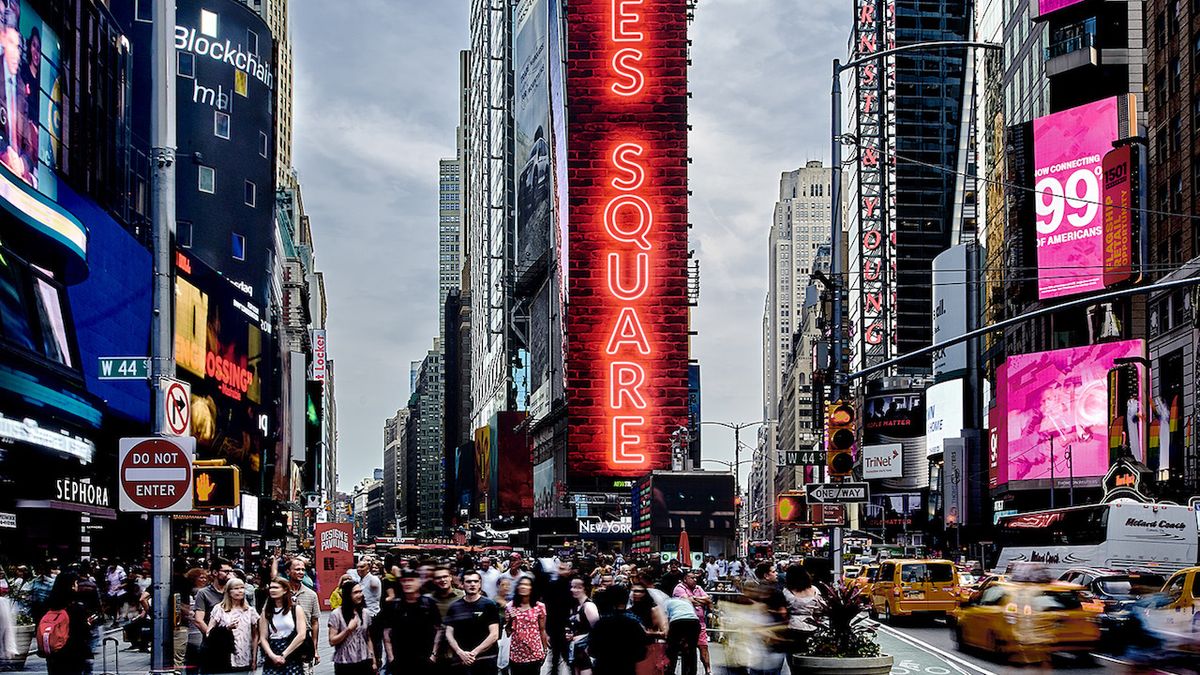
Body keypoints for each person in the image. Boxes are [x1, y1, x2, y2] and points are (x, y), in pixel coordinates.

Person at [382, 568, 440, 675]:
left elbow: (438, 630)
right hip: (400, 660)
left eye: (411, 580)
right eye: (404, 581)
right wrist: (391, 657)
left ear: (419, 582)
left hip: (425, 659)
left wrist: (434, 655)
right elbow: (386, 633)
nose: (407, 583)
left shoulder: (429, 604)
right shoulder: (395, 605)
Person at [444, 570, 501, 674]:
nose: (472, 584)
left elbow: (494, 634)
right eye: (468, 582)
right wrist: (459, 652)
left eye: (475, 581)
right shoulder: (454, 606)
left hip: (486, 659)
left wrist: (474, 653)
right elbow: (449, 632)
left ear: (480, 584)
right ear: (462, 584)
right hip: (462, 660)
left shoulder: (489, 605)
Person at [41, 571, 94, 675]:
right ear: (71, 586)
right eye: (75, 583)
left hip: (53, 655)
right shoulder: (75, 607)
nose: (77, 586)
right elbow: (83, 633)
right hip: (73, 654)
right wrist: (87, 624)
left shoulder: (48, 605)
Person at [586, 587, 647, 675]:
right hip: (626, 668)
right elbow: (641, 653)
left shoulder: (601, 624)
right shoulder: (633, 624)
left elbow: (592, 650)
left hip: (603, 668)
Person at [206, 577, 258, 673]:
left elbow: (255, 636)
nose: (240, 591)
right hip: (225, 657)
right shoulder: (219, 609)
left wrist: (254, 658)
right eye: (236, 588)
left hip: (246, 658)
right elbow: (209, 632)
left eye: (242, 588)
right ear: (229, 591)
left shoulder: (250, 611)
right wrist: (226, 628)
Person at [258, 576, 308, 675]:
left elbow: (302, 635)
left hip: (291, 650)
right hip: (272, 650)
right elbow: (263, 637)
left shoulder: (295, 609)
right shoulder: (266, 612)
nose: (272, 590)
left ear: (285, 590)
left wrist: (283, 655)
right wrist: (272, 656)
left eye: (276, 588)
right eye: (271, 587)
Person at [328, 580, 375, 675]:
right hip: (345, 663)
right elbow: (332, 641)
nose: (360, 595)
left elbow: (368, 638)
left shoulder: (365, 613)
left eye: (360, 591)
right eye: (356, 592)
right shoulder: (336, 614)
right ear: (348, 595)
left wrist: (373, 660)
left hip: (364, 660)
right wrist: (348, 630)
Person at [504, 577, 548, 675]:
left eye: (527, 585)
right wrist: (510, 620)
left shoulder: (539, 607)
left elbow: (542, 629)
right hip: (516, 653)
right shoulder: (510, 606)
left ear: (532, 588)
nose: (523, 587)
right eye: (521, 584)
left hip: (534, 652)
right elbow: (508, 632)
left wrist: (544, 649)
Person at [673, 571, 713, 675]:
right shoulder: (679, 588)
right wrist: (702, 601)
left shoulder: (698, 588)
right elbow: (688, 601)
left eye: (695, 578)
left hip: (700, 623)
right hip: (685, 625)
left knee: (704, 647)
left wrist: (694, 599)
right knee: (687, 650)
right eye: (692, 578)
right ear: (685, 579)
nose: (695, 580)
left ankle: (708, 671)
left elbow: (708, 600)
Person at [287, 558, 321, 674]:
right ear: (288, 571)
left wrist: (315, 649)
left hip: (304, 641)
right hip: (284, 638)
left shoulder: (311, 594)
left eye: (303, 570)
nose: (301, 572)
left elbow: (315, 622)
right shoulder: (280, 592)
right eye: (297, 569)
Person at [541, 560, 575, 675]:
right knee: (555, 659)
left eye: (564, 569)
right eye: (560, 568)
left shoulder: (573, 585)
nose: (562, 571)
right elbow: (548, 609)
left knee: (567, 659)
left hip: (569, 626)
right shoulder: (552, 586)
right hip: (554, 627)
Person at [564, 577, 598, 675]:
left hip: (586, 651)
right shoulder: (575, 605)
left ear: (585, 589)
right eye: (572, 587)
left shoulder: (589, 606)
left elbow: (598, 630)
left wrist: (583, 637)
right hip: (575, 651)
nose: (573, 590)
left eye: (578, 587)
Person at [782, 565, 820, 653]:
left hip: (793, 626)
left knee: (794, 655)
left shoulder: (787, 592)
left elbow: (784, 611)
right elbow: (819, 610)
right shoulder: (815, 590)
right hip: (812, 626)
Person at [663, 595, 702, 675]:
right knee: (691, 650)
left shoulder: (665, 603)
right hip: (694, 622)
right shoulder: (686, 601)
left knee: (672, 650)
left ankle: (670, 671)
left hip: (677, 621)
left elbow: (665, 620)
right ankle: (690, 672)